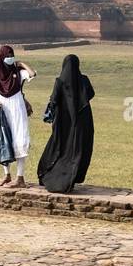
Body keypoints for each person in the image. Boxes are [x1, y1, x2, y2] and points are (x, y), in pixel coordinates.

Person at [0, 45, 37, 187]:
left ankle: (20, 177)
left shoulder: (18, 72)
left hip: (17, 109)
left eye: (12, 55)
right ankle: (7, 175)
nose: (10, 58)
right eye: (7, 56)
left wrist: (21, 64)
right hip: (2, 109)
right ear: (1, 58)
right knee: (2, 140)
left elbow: (32, 74)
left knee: (18, 139)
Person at [37, 53, 95, 193]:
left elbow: (54, 100)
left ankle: (52, 176)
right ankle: (71, 179)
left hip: (63, 123)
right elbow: (90, 94)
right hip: (82, 121)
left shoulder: (60, 81)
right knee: (76, 150)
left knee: (61, 147)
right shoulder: (84, 80)